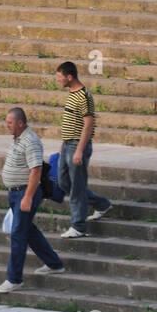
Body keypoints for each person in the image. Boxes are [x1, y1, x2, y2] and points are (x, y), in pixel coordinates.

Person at [0, 107, 66, 293]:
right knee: (28, 231)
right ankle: (54, 264)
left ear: (20, 123)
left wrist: (27, 197)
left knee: (18, 234)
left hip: (25, 193)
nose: (7, 126)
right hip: (15, 193)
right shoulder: (18, 138)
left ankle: (14, 278)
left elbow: (36, 170)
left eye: (10, 122)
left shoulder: (31, 141)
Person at [54, 61, 113, 238]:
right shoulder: (72, 93)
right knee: (64, 183)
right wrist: (62, 145)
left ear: (69, 77)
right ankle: (102, 204)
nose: (58, 80)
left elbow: (88, 124)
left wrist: (79, 150)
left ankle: (78, 226)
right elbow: (72, 121)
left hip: (77, 145)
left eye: (59, 77)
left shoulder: (83, 96)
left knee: (77, 187)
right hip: (67, 144)